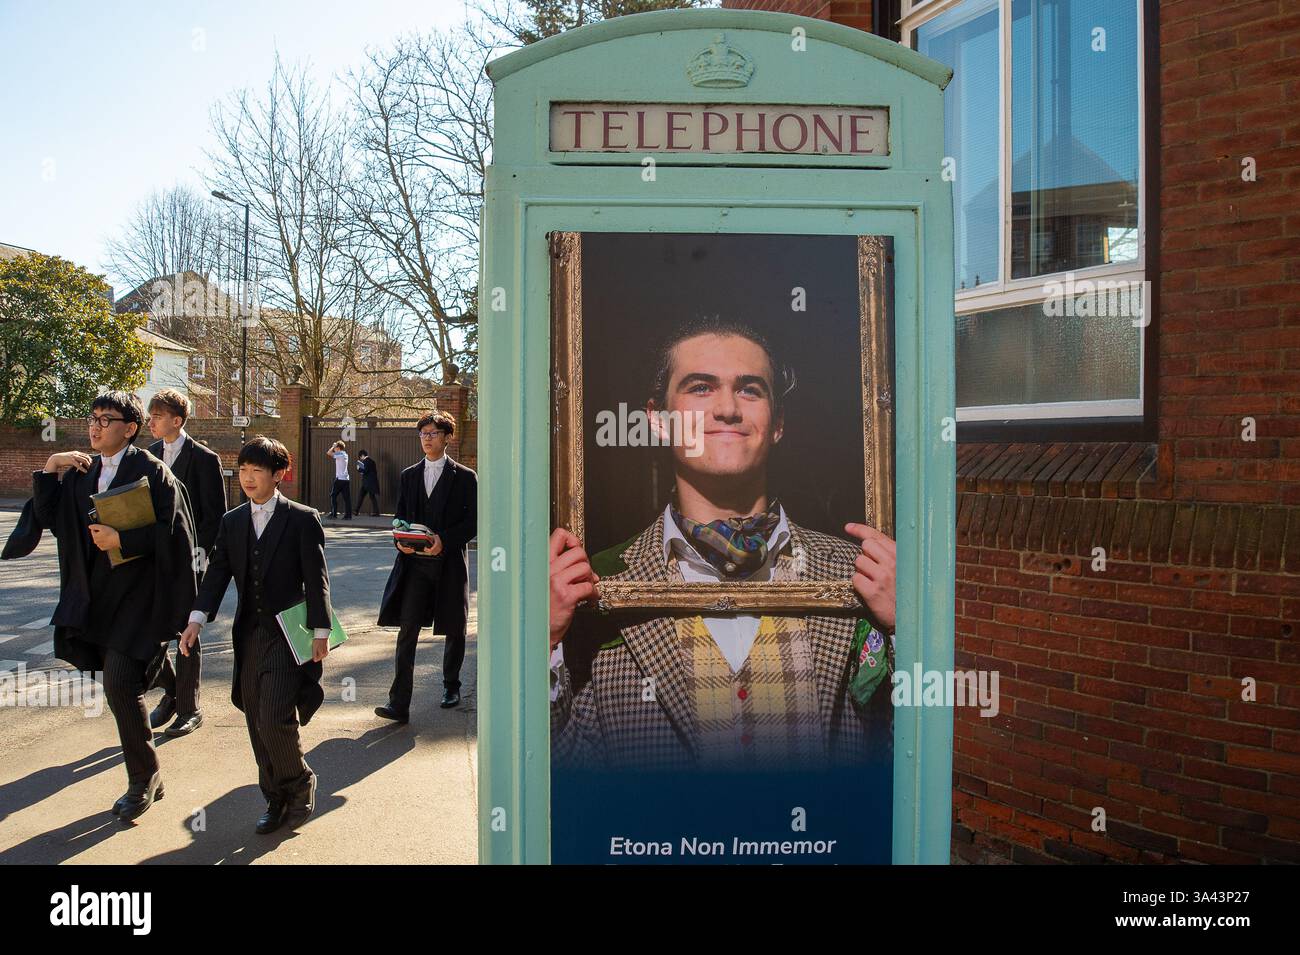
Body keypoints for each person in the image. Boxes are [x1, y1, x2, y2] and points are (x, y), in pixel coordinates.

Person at [548, 317, 897, 770]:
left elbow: (905, 768)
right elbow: (560, 775)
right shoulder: (600, 582)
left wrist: (905, 632)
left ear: (777, 424)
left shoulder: (858, 575)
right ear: (657, 420)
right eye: (700, 388)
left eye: (750, 389)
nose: (728, 408)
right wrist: (547, 641)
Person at [33, 391, 197, 820]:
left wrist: (123, 538)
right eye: (92, 418)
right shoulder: (82, 473)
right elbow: (52, 520)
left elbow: (175, 538)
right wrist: (51, 468)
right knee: (119, 666)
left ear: (130, 428)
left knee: (120, 685)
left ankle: (144, 778)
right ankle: (168, 678)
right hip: (96, 597)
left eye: (106, 419)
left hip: (140, 598)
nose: (95, 426)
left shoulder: (151, 472)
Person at [180, 436, 333, 835]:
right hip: (249, 636)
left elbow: (316, 580)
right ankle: (274, 797)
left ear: (278, 474)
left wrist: (321, 631)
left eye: (257, 470)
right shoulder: (231, 523)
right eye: (244, 469)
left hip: (287, 636)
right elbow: (216, 575)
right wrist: (196, 619)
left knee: (275, 716)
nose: (248, 477)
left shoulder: (302, 518)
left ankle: (298, 783)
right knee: (255, 720)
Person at [375, 411, 477, 719]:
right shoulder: (408, 475)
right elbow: (401, 517)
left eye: (433, 433)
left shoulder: (466, 477)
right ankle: (399, 702)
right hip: (414, 565)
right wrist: (400, 540)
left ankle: (451, 684)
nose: (427, 438)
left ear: (448, 437)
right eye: (423, 433)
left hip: (449, 563)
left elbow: (473, 522)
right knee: (407, 630)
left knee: (454, 627)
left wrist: (443, 540)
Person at [144, 388, 227, 738]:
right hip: (151, 560)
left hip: (190, 561)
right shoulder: (146, 456)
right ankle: (172, 690)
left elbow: (214, 516)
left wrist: (201, 555)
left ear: (176, 420)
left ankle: (190, 709)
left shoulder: (205, 459)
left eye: (157, 416)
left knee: (186, 632)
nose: (151, 422)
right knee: (148, 631)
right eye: (149, 416)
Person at [326, 440, 352, 520]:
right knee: (347, 498)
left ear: (338, 448)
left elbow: (328, 453)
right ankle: (348, 515)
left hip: (339, 479)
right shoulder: (345, 454)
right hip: (345, 479)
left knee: (333, 496)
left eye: (336, 447)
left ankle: (334, 514)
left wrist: (333, 446)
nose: (334, 449)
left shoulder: (339, 454)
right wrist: (335, 446)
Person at [355, 450, 381, 517]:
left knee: (361, 496)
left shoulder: (365, 461)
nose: (360, 459)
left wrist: (358, 469)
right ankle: (376, 512)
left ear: (362, 455)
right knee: (372, 497)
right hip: (372, 482)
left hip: (366, 483)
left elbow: (365, 471)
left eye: (360, 457)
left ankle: (356, 511)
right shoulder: (372, 461)